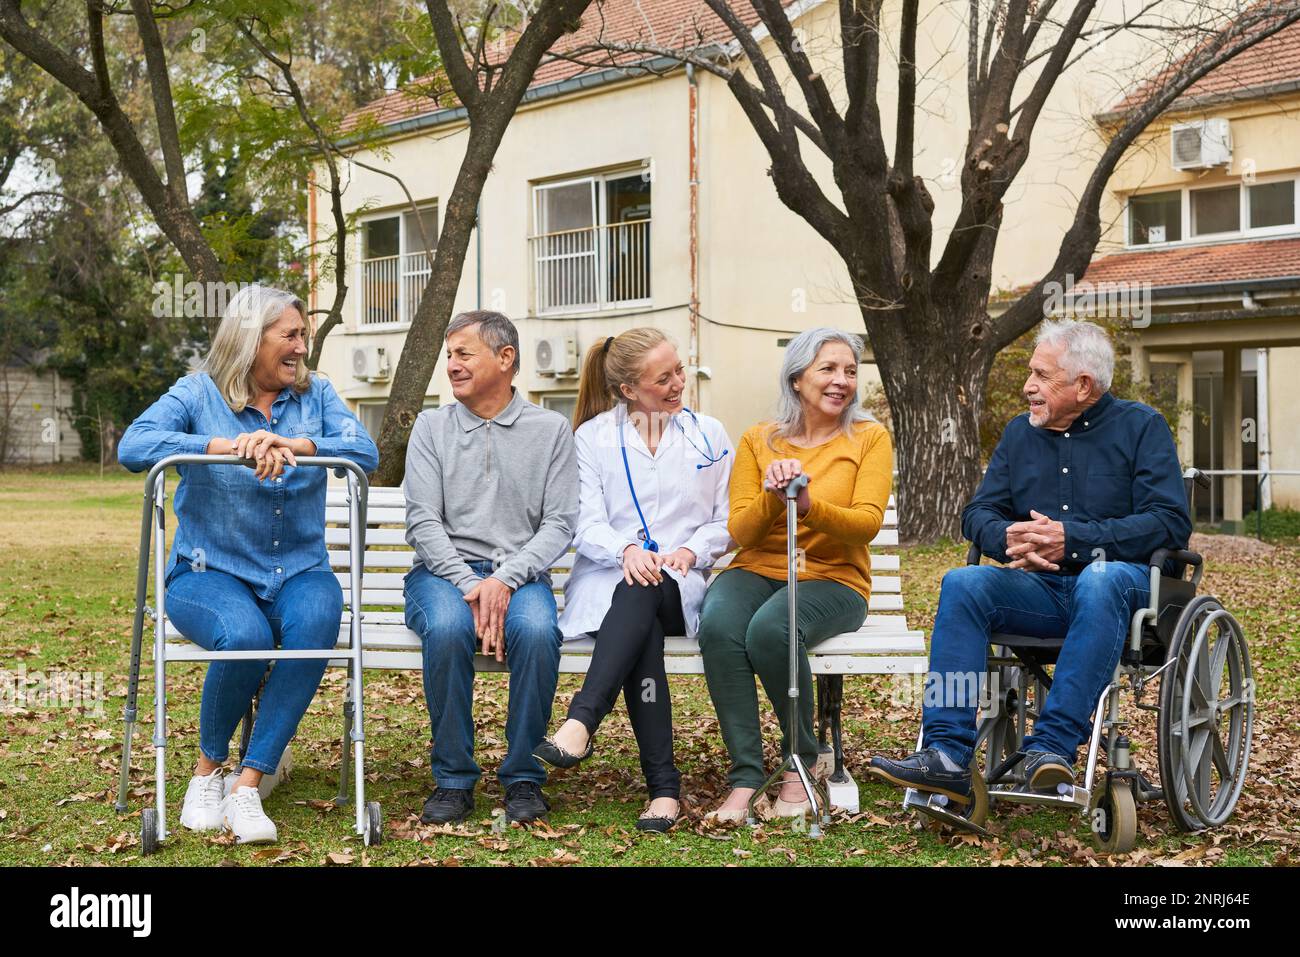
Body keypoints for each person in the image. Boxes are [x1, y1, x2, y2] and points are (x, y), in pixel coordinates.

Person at [869, 319, 1191, 804]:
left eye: (1042, 375)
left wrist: (1072, 540)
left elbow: (1169, 522)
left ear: (1083, 385)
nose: (1028, 386)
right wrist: (1008, 536)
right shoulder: (1021, 435)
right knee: (964, 582)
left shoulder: (1140, 427)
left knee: (1100, 579)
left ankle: (1051, 747)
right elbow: (978, 513)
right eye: (1029, 373)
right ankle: (946, 755)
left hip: (1123, 591)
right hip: (1042, 590)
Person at [118, 285, 379, 844]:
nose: (301, 348)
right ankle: (207, 774)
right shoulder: (197, 392)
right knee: (243, 633)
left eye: (303, 336)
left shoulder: (318, 395)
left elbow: (364, 450)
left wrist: (296, 445)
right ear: (249, 338)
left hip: (300, 569)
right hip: (209, 573)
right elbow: (134, 446)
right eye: (290, 335)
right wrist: (227, 445)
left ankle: (248, 783)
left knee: (315, 624)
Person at [533, 329, 733, 832]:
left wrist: (692, 549)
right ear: (628, 390)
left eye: (679, 371)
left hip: (680, 583)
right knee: (638, 610)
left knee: (645, 590)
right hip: (608, 581)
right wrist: (623, 551)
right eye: (662, 378)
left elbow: (728, 518)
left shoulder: (709, 433)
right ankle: (664, 792)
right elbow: (585, 520)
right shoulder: (593, 437)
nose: (678, 383)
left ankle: (582, 719)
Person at [696, 328, 893, 822]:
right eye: (828, 369)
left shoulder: (869, 437)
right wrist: (771, 495)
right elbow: (740, 529)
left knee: (771, 628)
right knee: (719, 625)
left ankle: (801, 760)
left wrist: (808, 506)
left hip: (834, 577)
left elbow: (866, 525)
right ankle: (744, 778)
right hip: (758, 567)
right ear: (797, 378)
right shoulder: (758, 439)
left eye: (850, 371)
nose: (841, 381)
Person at [403, 310, 579, 825]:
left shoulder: (549, 430)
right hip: (441, 574)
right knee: (449, 626)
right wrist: (471, 584)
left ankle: (524, 776)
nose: (451, 365)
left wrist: (504, 579)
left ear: (506, 359)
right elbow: (422, 520)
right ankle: (453, 779)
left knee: (538, 629)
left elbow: (561, 522)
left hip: (518, 575)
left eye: (463, 353)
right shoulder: (432, 427)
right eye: (449, 355)